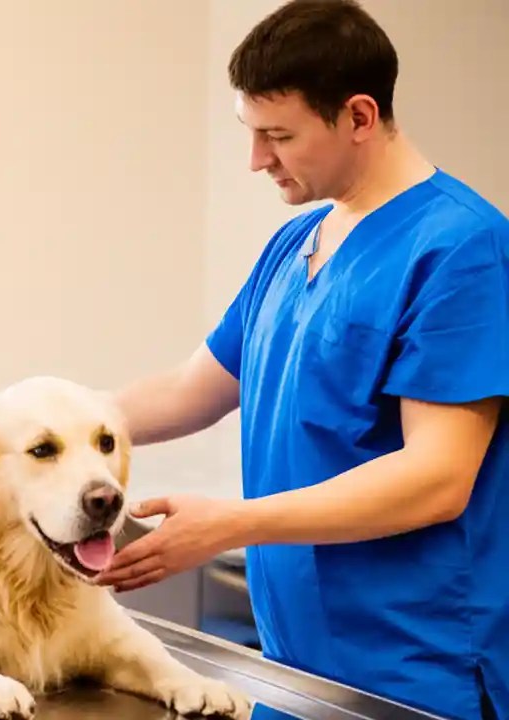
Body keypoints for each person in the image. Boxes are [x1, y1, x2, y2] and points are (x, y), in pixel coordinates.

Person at [91, 1, 509, 718]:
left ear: (359, 116)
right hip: (295, 672)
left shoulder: (462, 249)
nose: (258, 160)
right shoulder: (296, 245)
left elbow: (437, 478)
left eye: (279, 136)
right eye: (251, 133)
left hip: (414, 678)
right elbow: (192, 389)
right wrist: (27, 431)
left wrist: (231, 523)